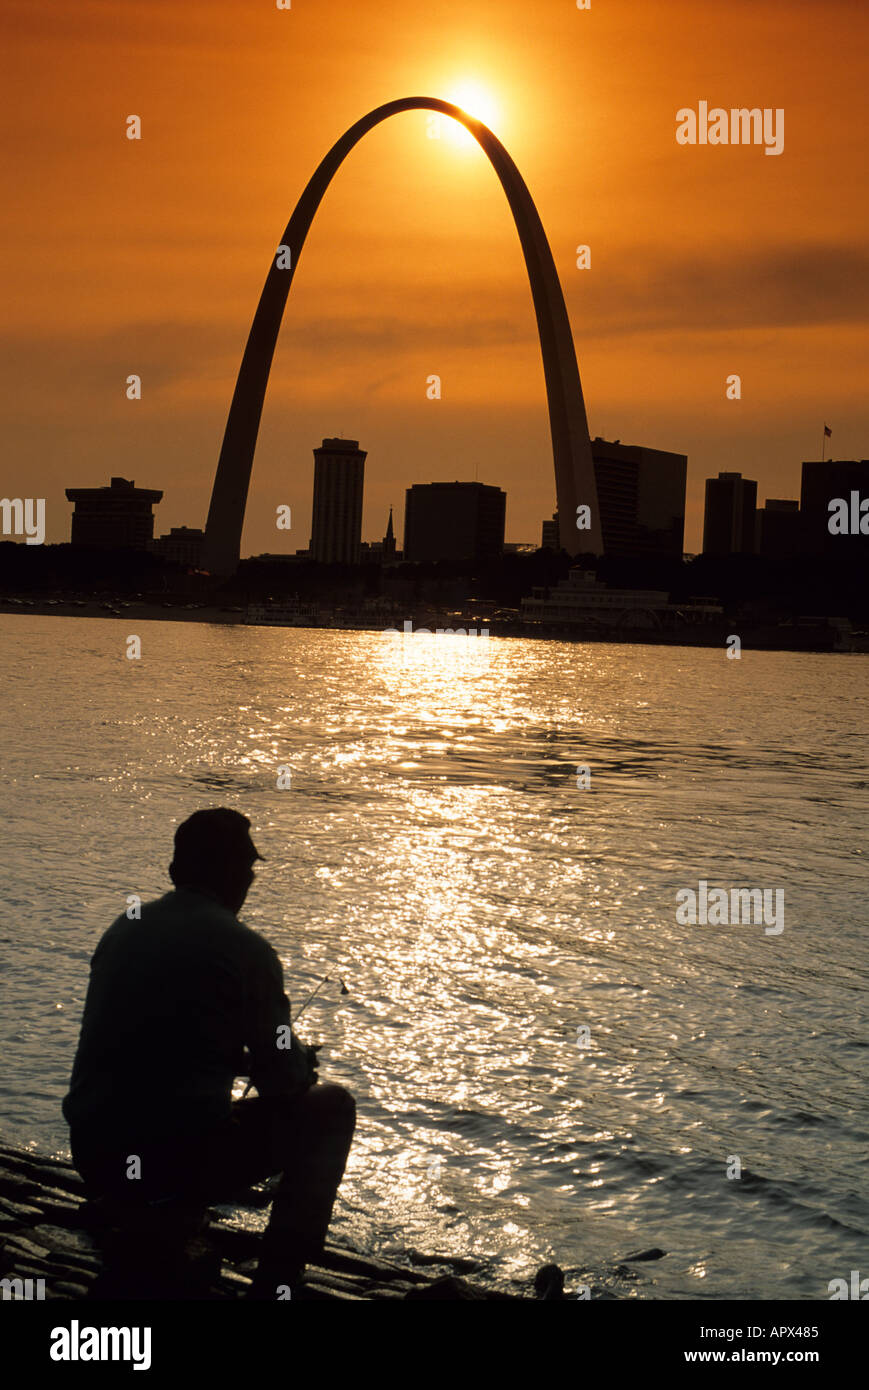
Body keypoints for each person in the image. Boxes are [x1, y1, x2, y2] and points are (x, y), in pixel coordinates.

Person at [62, 808, 356, 1298]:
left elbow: (156, 1043)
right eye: (247, 869)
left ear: (177, 872)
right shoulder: (247, 950)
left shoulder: (125, 927)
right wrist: (303, 1063)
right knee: (332, 1108)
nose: (250, 881)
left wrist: (234, 1060)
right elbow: (283, 1080)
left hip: (93, 1151)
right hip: (169, 1159)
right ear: (236, 876)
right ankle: (278, 1279)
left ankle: (137, 1208)